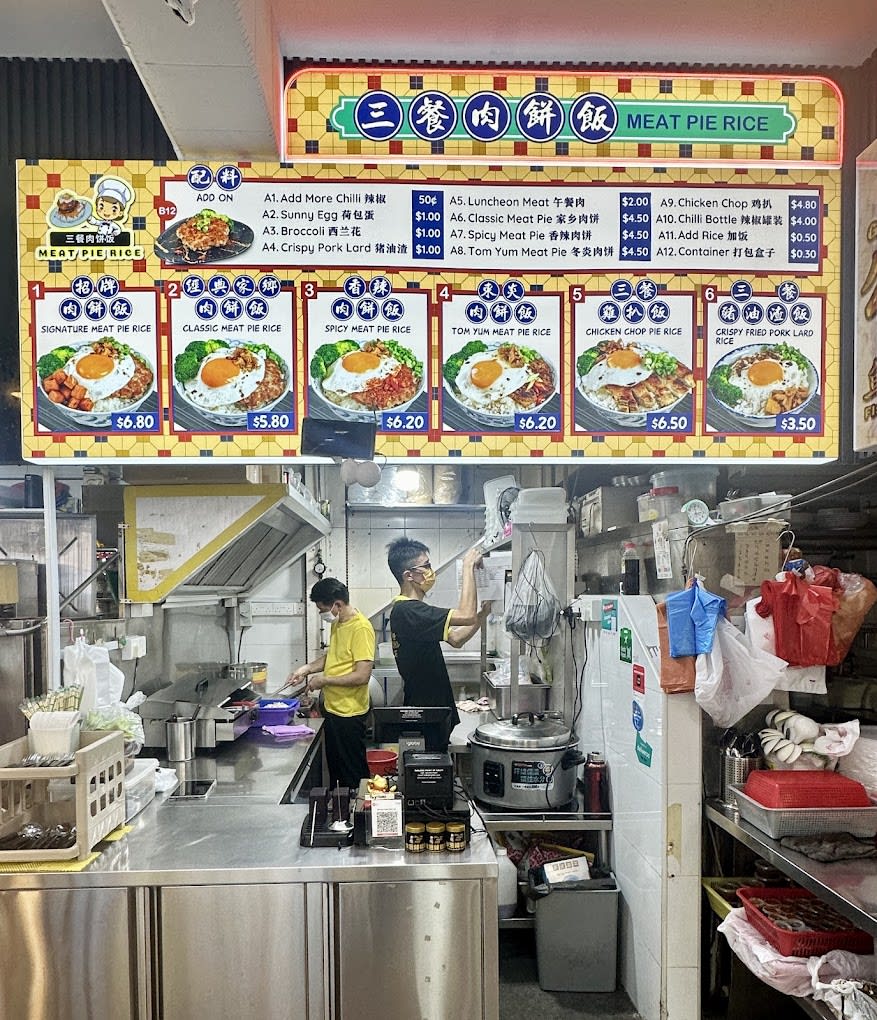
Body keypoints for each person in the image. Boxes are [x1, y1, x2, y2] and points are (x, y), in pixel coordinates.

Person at [387, 538, 489, 737]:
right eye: (426, 566)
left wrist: (482, 616)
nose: (430, 571)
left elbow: (456, 640)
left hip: (433, 712)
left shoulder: (410, 611)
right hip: (426, 714)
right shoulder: (409, 610)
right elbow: (466, 615)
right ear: (409, 575)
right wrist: (468, 567)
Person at [289, 578, 375, 792]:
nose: (322, 615)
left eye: (322, 609)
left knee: (352, 772)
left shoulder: (361, 628)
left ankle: (359, 816)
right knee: (337, 771)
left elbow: (362, 675)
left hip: (350, 712)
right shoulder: (338, 623)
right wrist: (307, 669)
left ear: (337, 604)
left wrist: (324, 680)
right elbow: (334, 657)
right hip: (334, 709)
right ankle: (341, 813)